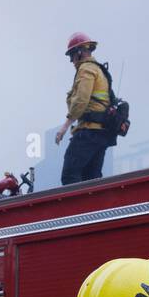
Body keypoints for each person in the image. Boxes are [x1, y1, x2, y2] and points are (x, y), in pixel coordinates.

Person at [56, 32, 113, 185]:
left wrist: (65, 127)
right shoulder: (98, 70)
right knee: (91, 181)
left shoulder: (86, 69)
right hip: (101, 135)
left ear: (79, 52)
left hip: (88, 133)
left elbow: (81, 101)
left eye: (72, 56)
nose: (71, 61)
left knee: (70, 177)